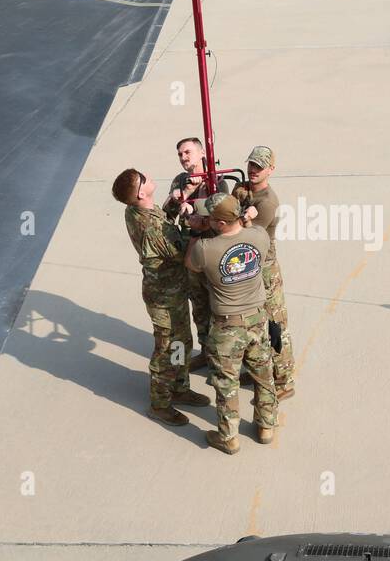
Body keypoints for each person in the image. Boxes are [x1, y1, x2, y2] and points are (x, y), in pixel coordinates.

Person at [112, 168, 210, 425]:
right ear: (141, 192)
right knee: (166, 349)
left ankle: (179, 387)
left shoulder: (136, 209)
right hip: (164, 297)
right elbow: (182, 255)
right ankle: (160, 403)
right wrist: (197, 230)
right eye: (143, 179)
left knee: (182, 342)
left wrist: (182, 198)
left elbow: (164, 221)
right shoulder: (151, 227)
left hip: (172, 291)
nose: (148, 176)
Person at [185, 194, 278, 454]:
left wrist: (196, 231)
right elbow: (250, 230)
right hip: (257, 318)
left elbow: (190, 264)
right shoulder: (259, 236)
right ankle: (266, 425)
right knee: (263, 374)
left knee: (226, 383)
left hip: (227, 326)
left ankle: (228, 437)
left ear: (220, 223)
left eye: (211, 217)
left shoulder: (206, 249)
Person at [164, 137, 233, 372]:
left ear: (202, 152)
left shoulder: (218, 181)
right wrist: (184, 193)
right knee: (199, 306)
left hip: (213, 254)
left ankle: (224, 358)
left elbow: (224, 216)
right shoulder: (180, 180)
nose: (184, 158)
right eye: (180, 154)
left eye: (188, 152)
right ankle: (205, 351)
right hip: (192, 254)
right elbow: (167, 214)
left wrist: (197, 212)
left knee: (220, 308)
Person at [234, 145, 295, 400]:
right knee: (258, 323)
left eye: (259, 166)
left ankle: (284, 380)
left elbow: (247, 236)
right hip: (251, 266)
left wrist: (244, 218)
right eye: (251, 164)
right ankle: (264, 370)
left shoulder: (267, 202)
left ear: (271, 169)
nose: (253, 169)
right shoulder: (244, 189)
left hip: (265, 269)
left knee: (275, 325)